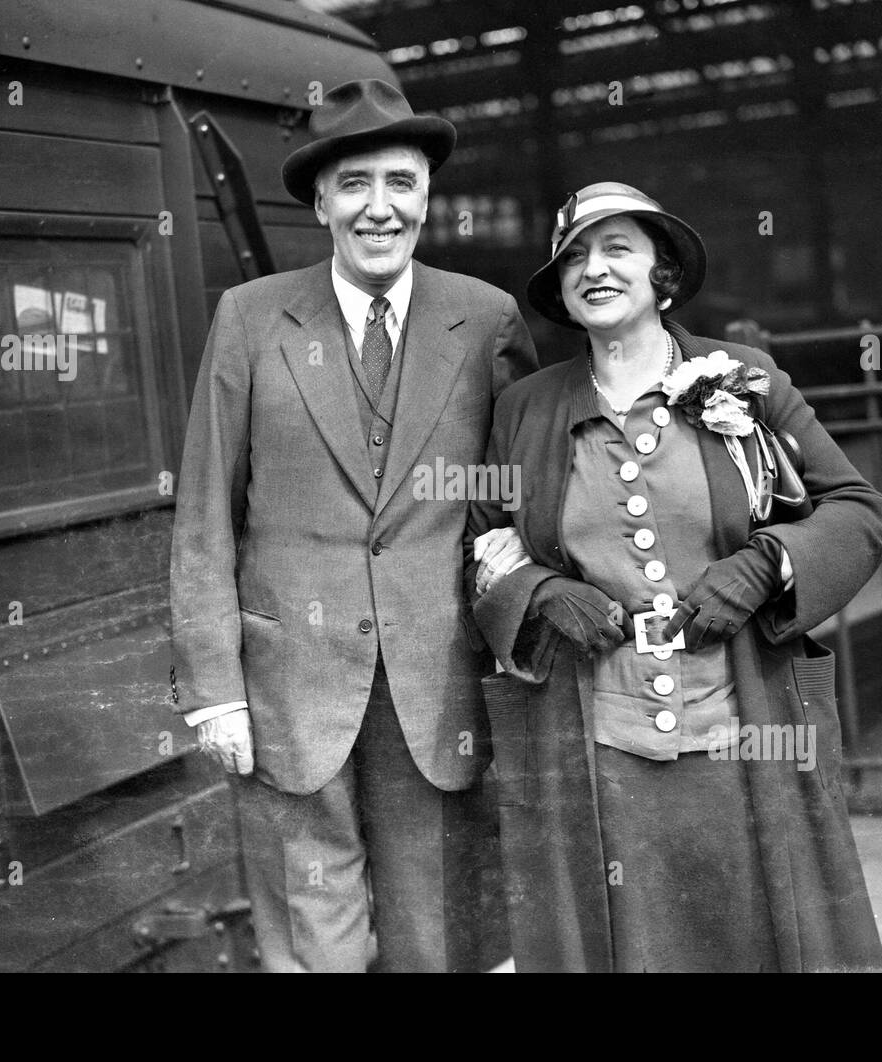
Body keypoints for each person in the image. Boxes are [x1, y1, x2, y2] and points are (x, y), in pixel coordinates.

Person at [467, 182, 882, 972]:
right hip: (597, 738)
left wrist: (766, 566)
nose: (593, 269)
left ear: (662, 272)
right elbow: (480, 540)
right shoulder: (525, 409)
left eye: (616, 249)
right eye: (574, 259)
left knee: (763, 935)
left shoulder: (746, 379)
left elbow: (860, 511)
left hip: (741, 721)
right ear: (561, 289)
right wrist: (541, 594)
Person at [169, 79, 536, 972]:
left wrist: (519, 559)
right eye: (358, 184)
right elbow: (205, 512)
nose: (382, 207)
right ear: (323, 201)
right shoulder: (251, 318)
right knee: (307, 936)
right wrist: (214, 686)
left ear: (426, 197)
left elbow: (522, 487)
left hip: (439, 681)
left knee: (440, 935)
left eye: (402, 183)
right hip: (287, 684)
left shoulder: (485, 318)